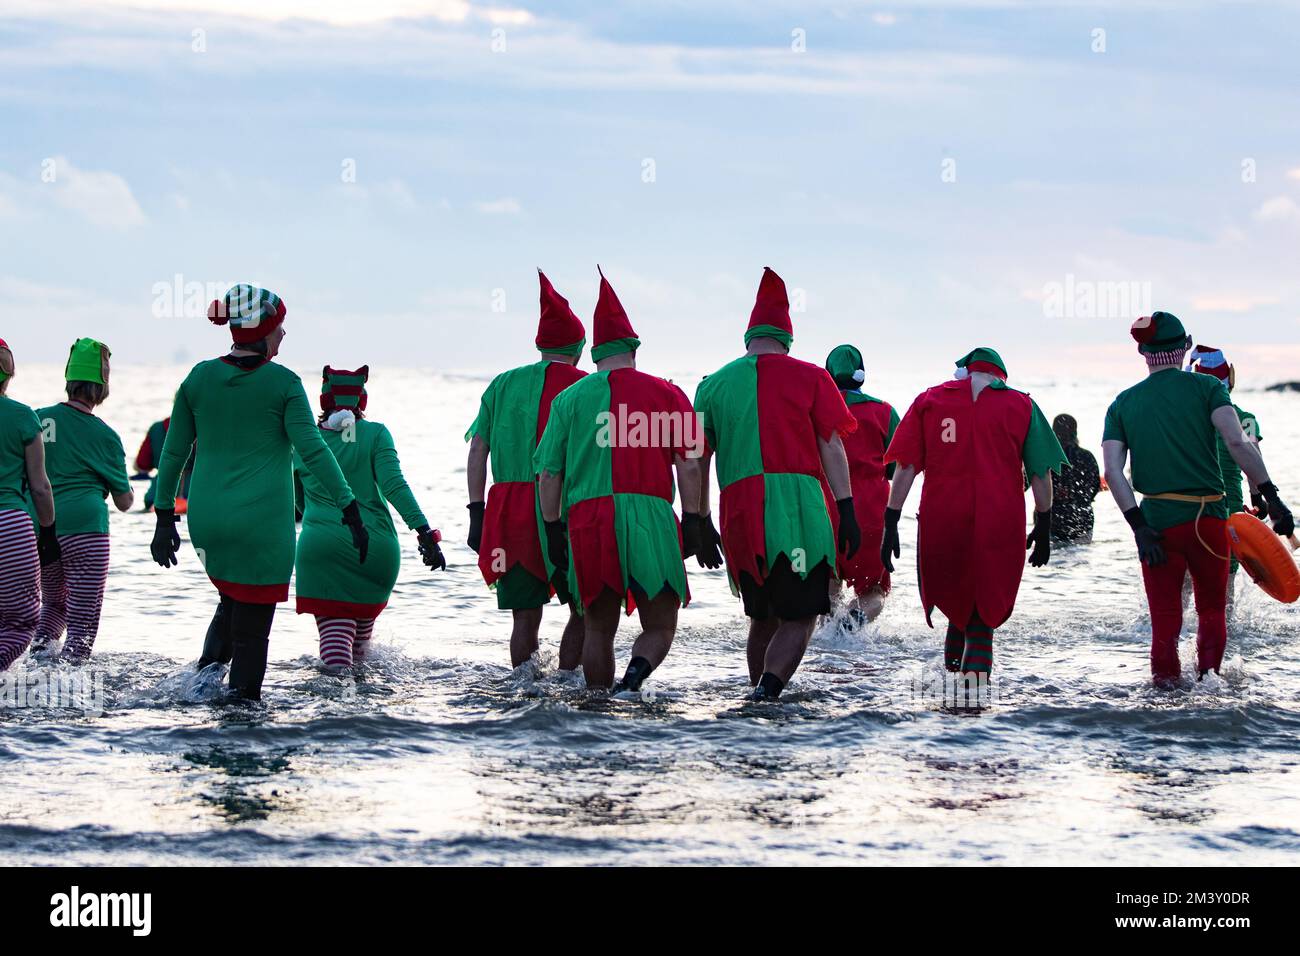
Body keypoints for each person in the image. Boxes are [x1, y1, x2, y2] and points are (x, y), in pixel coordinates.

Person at [149, 285, 368, 701]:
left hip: (209, 525)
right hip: (261, 528)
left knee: (231, 599)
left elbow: (174, 452)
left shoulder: (198, 377)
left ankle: (197, 691)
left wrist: (164, 517)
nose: (283, 335)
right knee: (253, 632)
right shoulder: (283, 384)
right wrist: (349, 506)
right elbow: (314, 451)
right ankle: (243, 728)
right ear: (265, 331)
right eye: (280, 327)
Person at [693, 268, 861, 701]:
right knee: (801, 615)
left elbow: (695, 460)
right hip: (797, 508)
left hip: (740, 512)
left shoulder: (712, 386)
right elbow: (832, 448)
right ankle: (766, 695)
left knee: (763, 617)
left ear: (748, 336)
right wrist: (846, 509)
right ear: (787, 336)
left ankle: (760, 705)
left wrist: (697, 519)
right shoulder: (813, 378)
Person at [534, 267, 704, 693]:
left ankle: (598, 711)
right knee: (661, 625)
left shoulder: (568, 399)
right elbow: (690, 464)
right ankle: (633, 680)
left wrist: (553, 526)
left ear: (595, 352)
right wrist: (697, 518)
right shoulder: (668, 394)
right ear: (633, 346)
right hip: (650, 516)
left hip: (589, 519)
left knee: (598, 629)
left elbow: (549, 473)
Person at [1102, 313, 1293, 687]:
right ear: (1185, 345)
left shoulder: (1123, 403)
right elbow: (1238, 443)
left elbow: (1112, 473)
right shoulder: (1208, 389)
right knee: (1212, 609)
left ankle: (1165, 694)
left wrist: (1139, 526)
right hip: (1209, 519)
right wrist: (1273, 497)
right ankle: (1209, 683)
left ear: (1142, 351)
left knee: (1165, 618)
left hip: (1156, 522)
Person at [881, 347, 1065, 677]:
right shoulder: (1021, 404)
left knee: (958, 608)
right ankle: (971, 714)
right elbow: (1040, 474)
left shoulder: (930, 401)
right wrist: (1044, 523)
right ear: (1000, 376)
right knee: (981, 621)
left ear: (966, 372)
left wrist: (891, 520)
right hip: (999, 522)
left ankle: (951, 709)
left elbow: (905, 468)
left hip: (941, 520)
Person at [466, 271, 587, 671]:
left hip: (509, 510)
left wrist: (476, 512)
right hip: (564, 509)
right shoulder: (586, 385)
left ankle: (526, 688)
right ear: (579, 348)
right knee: (583, 611)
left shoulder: (501, 384)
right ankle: (570, 686)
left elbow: (478, 448)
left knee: (525, 615)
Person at [295, 366, 445, 674]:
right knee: (360, 656)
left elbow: (294, 499)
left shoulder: (305, 439)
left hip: (324, 550)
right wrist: (424, 533)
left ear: (325, 399)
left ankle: (335, 717)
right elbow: (395, 487)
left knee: (336, 663)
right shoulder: (377, 434)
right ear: (362, 400)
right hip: (377, 553)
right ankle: (364, 719)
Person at [29, 339, 133, 662]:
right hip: (87, 532)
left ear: (69, 381)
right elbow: (125, 501)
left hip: (42, 529)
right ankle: (71, 690)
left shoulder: (37, 420)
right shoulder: (106, 436)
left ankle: (36, 667)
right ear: (101, 388)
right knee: (82, 624)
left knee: (54, 604)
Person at [822, 344, 898, 624]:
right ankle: (853, 623)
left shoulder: (817, 412)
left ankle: (827, 646)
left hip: (825, 510)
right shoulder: (883, 412)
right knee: (875, 590)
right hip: (870, 513)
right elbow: (897, 467)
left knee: (828, 586)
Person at [1188, 344, 1265, 606]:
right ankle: (1225, 642)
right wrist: (1259, 498)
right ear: (1229, 382)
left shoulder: (1187, 420)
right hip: (1228, 509)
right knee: (1224, 590)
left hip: (1188, 507)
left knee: (1183, 588)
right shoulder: (1244, 419)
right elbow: (1252, 459)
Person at [0, 338, 58, 671]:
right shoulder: (23, 417)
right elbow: (40, 486)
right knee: (21, 622)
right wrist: (48, 531)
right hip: (10, 524)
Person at [1047, 413, 1100, 542]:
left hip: (1051, 521)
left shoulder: (1046, 458)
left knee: (1053, 558)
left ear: (1053, 433)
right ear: (1075, 432)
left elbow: (1028, 484)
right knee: (1079, 556)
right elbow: (1095, 486)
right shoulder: (1087, 456)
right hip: (1082, 520)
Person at [133, 417, 192, 511]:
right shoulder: (204, 428)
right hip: (193, 496)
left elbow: (142, 464)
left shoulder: (157, 428)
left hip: (156, 496)